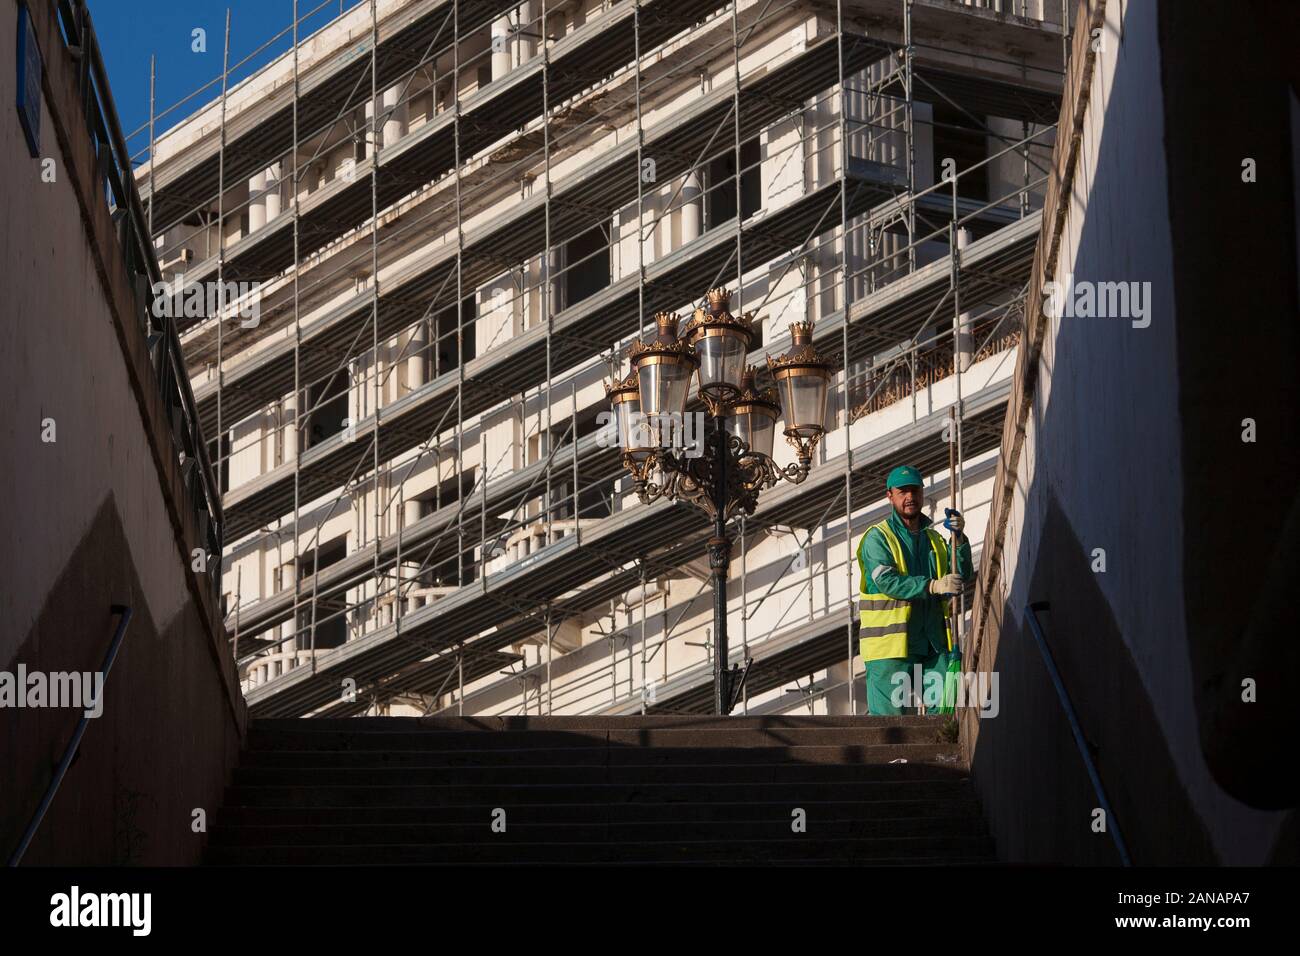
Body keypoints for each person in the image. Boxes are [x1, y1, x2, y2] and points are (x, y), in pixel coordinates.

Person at [856, 465, 974, 715]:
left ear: (922, 493)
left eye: (915, 490)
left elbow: (959, 576)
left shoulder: (933, 539)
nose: (910, 497)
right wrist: (932, 585)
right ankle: (892, 757)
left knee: (946, 710)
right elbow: (886, 581)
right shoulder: (877, 538)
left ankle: (940, 756)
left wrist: (959, 539)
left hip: (932, 640)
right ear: (890, 496)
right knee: (889, 724)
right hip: (889, 646)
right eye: (903, 492)